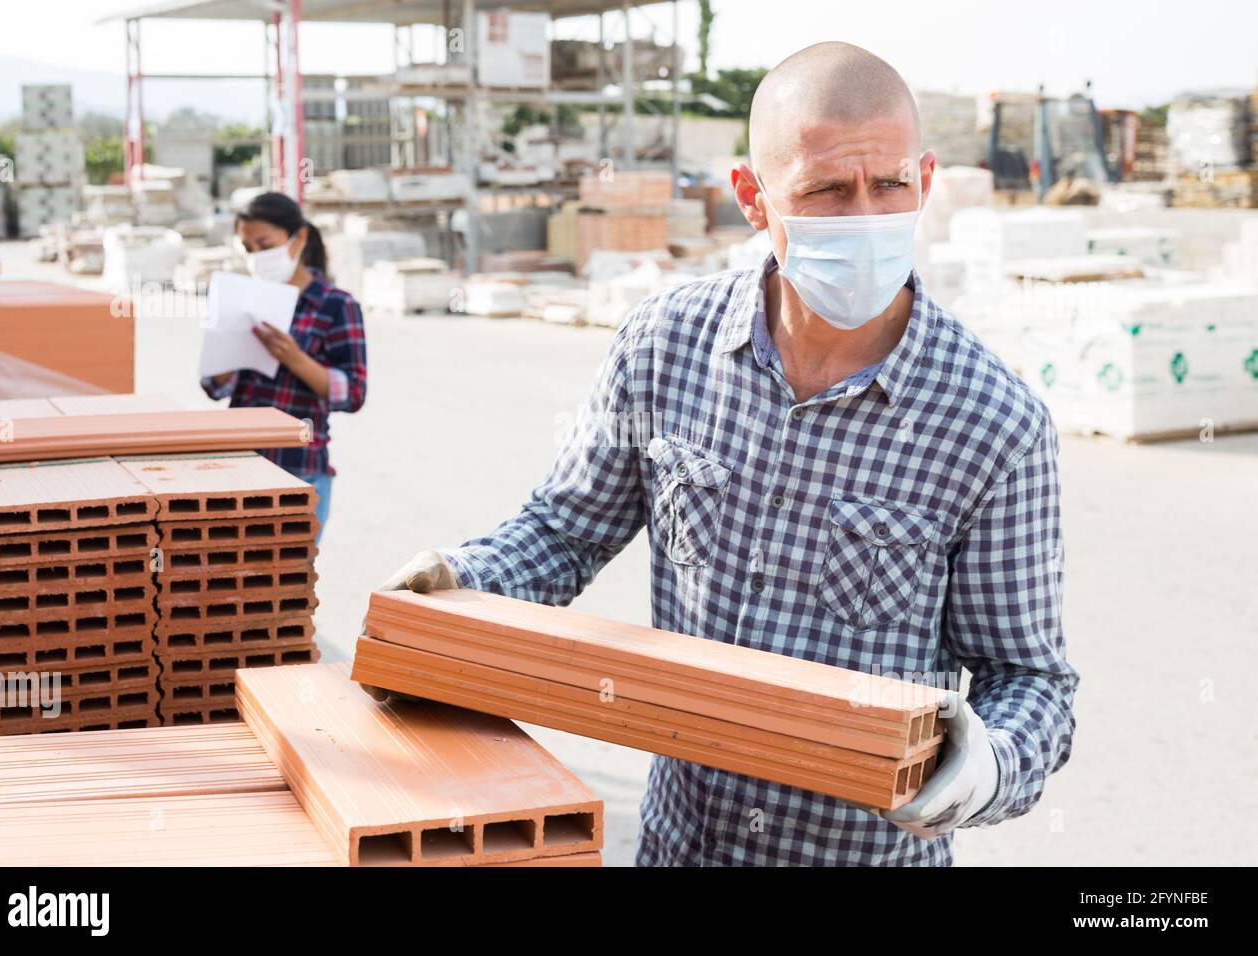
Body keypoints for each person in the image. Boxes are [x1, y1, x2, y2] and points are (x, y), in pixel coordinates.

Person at [370, 42, 1078, 866]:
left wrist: (983, 764)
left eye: (888, 186)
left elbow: (1030, 679)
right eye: (823, 191)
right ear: (752, 196)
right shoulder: (666, 345)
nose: (863, 219)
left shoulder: (992, 422)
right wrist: (456, 583)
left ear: (923, 178)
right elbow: (564, 533)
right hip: (678, 845)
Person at [202, 192, 367, 542]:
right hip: (239, 465)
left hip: (300, 468)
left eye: (265, 245)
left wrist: (295, 359)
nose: (258, 258)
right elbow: (214, 386)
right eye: (248, 249)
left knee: (287, 586)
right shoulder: (242, 297)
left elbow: (352, 393)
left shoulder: (336, 305)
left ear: (299, 238)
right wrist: (225, 349)